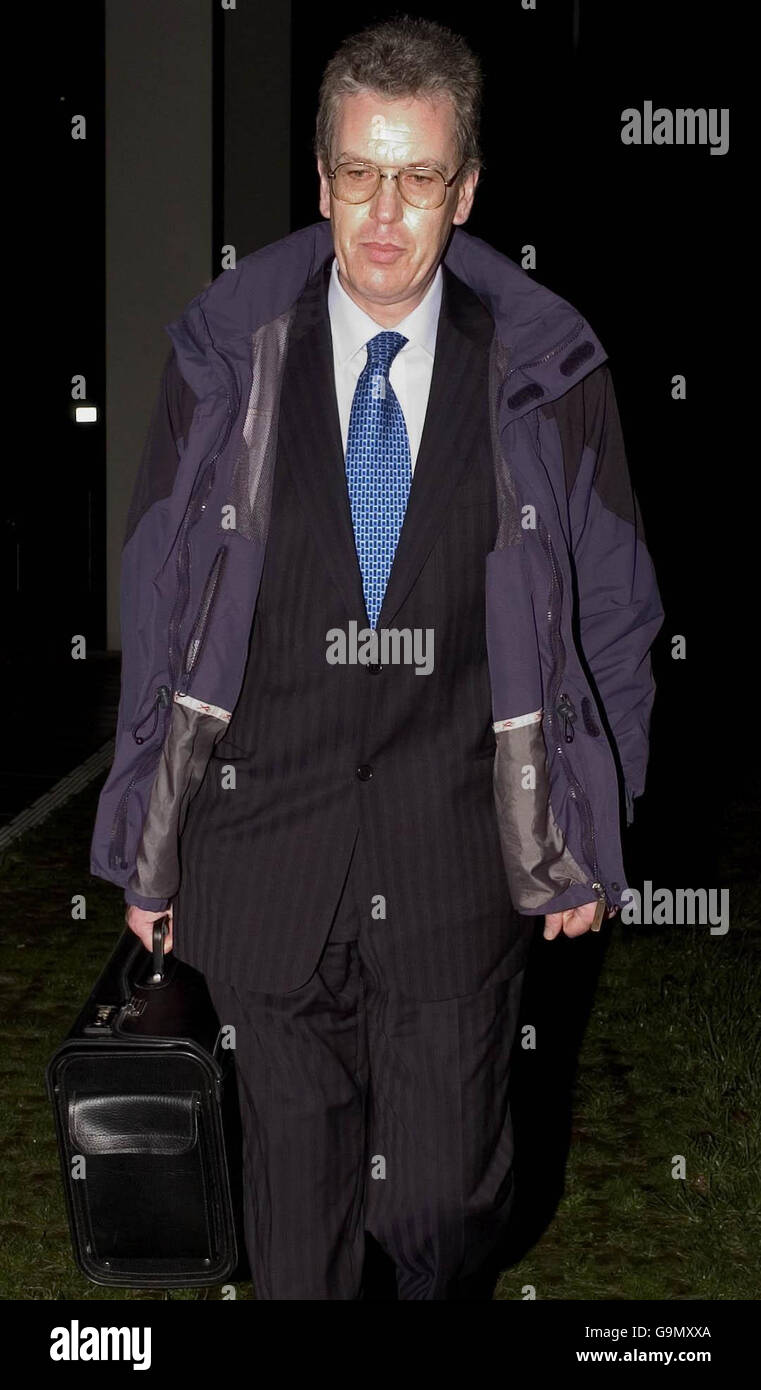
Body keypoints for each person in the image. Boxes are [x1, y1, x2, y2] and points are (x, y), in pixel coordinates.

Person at [90, 15, 663, 1299]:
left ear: (464, 191)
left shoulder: (547, 369)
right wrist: (148, 837)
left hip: (456, 854)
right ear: (320, 181)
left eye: (417, 179)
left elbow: (616, 613)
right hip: (259, 853)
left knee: (447, 1215)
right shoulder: (226, 353)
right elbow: (162, 590)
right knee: (296, 1244)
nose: (384, 214)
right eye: (359, 174)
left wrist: (591, 819)